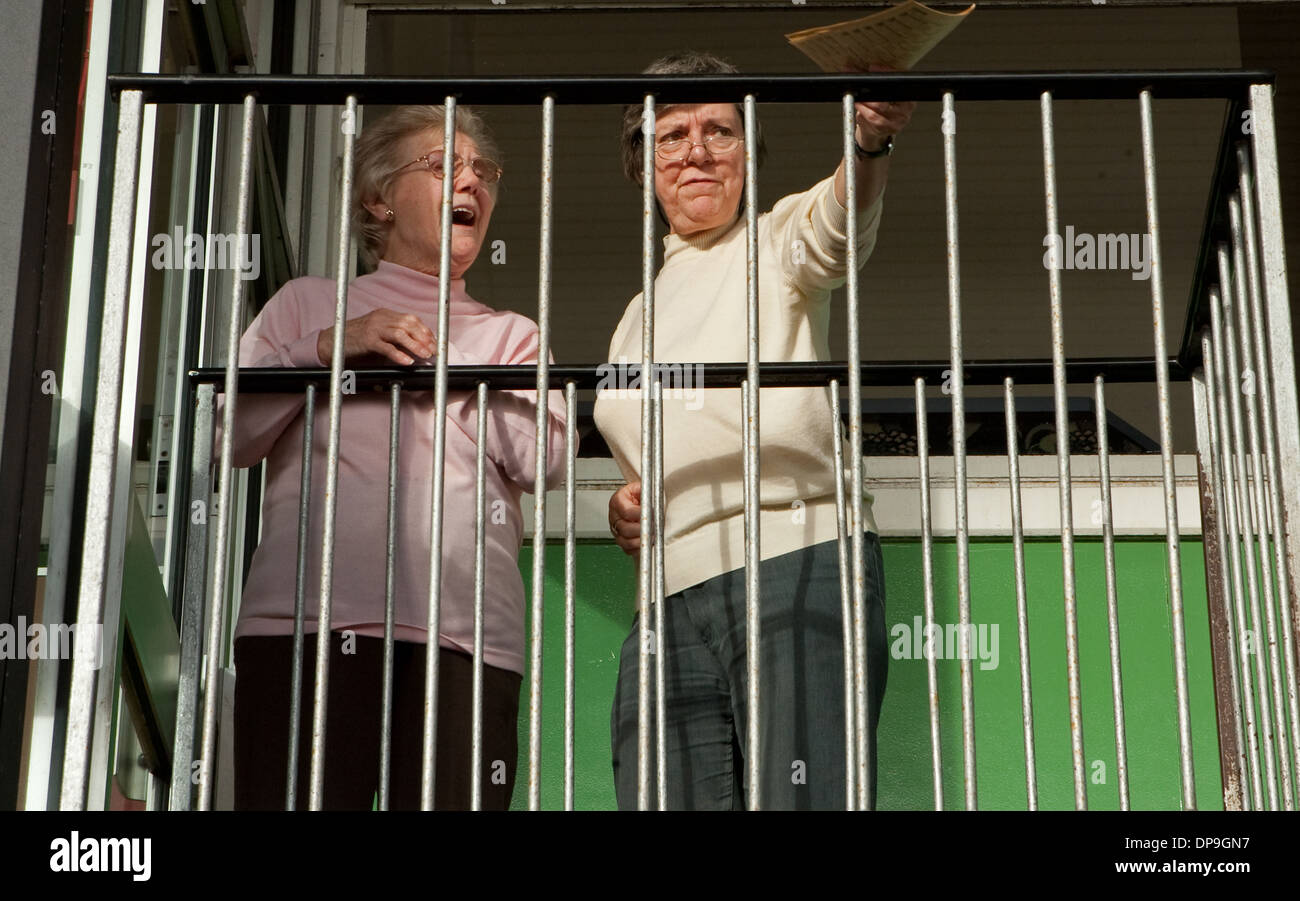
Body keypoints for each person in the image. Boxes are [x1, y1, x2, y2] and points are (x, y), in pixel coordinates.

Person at [594, 51, 914, 810]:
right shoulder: (634, 316)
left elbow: (838, 227)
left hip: (796, 557)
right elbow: (652, 445)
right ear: (642, 166)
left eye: (720, 131)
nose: (698, 151)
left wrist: (868, 141)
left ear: (748, 153)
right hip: (665, 595)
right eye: (672, 136)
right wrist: (626, 502)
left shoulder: (776, 240)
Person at [223, 104, 566, 810]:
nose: (471, 181)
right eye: (444, 165)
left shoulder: (513, 336)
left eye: (482, 171)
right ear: (378, 199)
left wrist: (445, 369)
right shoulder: (308, 304)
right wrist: (330, 346)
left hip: (466, 639)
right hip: (304, 625)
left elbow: (548, 460)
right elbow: (230, 434)